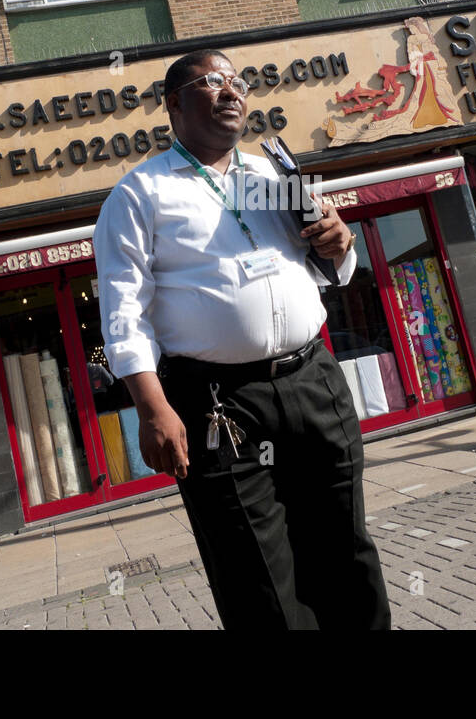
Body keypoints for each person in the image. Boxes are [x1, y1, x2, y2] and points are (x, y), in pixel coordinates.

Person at [94, 48, 392, 629]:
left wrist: (340, 243)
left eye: (240, 82)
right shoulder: (141, 195)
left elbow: (326, 268)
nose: (233, 91)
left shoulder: (269, 177)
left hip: (312, 382)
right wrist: (152, 408)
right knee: (259, 578)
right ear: (174, 103)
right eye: (214, 82)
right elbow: (124, 311)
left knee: (347, 553)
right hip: (218, 406)